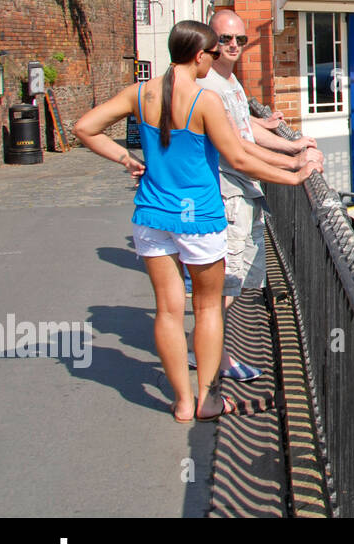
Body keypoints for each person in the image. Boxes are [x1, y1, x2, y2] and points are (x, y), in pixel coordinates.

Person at [75, 22, 315, 422]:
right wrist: (294, 174)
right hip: (200, 218)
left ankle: (183, 402)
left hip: (151, 215)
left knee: (167, 311)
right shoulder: (204, 101)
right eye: (213, 53)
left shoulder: (141, 92)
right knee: (207, 310)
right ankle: (207, 401)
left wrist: (127, 160)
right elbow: (238, 158)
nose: (216, 58)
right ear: (201, 55)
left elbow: (85, 128)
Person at [191, 9, 322, 381]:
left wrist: (293, 150)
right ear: (208, 41)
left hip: (240, 193)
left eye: (240, 39)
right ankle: (215, 360)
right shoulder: (209, 87)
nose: (233, 45)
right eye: (224, 39)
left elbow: (246, 130)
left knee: (226, 285)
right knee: (225, 284)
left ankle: (203, 347)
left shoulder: (228, 80)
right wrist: (294, 170)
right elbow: (238, 153)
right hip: (228, 195)